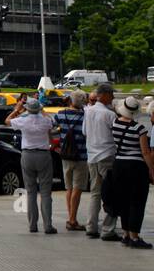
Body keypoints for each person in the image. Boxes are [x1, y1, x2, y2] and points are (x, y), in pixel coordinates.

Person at [6, 96, 59, 234]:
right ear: (39, 109)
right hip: (43, 155)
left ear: (27, 109)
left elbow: (7, 121)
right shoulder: (46, 121)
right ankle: (48, 225)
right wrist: (42, 109)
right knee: (46, 192)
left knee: (31, 192)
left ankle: (32, 225)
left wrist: (16, 110)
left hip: (27, 155)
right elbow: (52, 121)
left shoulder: (23, 120)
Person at [110, 96, 154, 248]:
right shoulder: (139, 129)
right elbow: (145, 152)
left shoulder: (114, 123)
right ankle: (135, 237)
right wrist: (152, 170)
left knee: (123, 201)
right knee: (137, 202)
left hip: (119, 165)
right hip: (136, 168)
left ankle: (126, 234)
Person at [83, 83, 120, 241]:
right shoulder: (110, 115)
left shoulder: (88, 111)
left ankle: (91, 226)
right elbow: (117, 136)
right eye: (111, 94)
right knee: (111, 193)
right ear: (104, 95)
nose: (112, 97)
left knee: (95, 192)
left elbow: (85, 131)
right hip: (107, 156)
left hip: (92, 155)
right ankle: (108, 228)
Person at [53, 90, 88, 230]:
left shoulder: (61, 114)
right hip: (81, 156)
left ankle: (71, 217)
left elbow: (51, 128)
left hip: (65, 155)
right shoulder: (85, 116)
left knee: (68, 188)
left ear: (71, 101)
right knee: (77, 188)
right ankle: (72, 220)